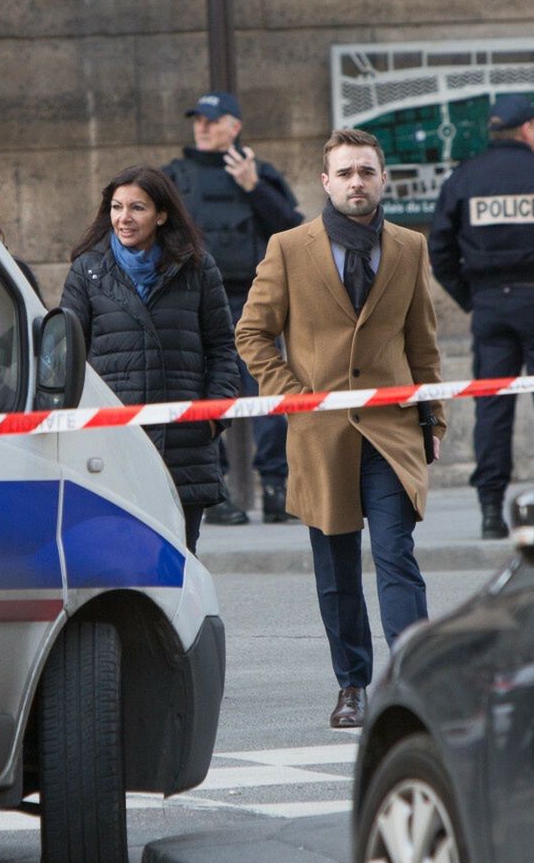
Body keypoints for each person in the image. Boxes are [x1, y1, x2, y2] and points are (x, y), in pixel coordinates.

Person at [236, 129, 445, 730]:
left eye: (367, 172)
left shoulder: (409, 247)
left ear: (383, 180)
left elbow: (421, 343)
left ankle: (411, 681)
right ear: (326, 182)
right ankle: (351, 686)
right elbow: (251, 333)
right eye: (346, 173)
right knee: (336, 568)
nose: (357, 182)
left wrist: (434, 416)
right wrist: (294, 397)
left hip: (391, 430)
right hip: (320, 433)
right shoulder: (289, 247)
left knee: (394, 555)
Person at [428, 94, 534, 539]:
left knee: (493, 408)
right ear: (528, 129)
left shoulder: (463, 179)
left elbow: (440, 251)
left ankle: (490, 510)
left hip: (490, 307)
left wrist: (472, 298)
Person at [61, 166, 239, 554]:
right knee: (120, 558)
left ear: (161, 214)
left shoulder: (196, 267)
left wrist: (212, 418)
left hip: (184, 442)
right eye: (116, 207)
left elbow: (224, 349)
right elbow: (68, 357)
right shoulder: (87, 271)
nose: (124, 218)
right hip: (115, 442)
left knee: (179, 556)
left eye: (137, 208)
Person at [164, 91, 301, 527]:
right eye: (198, 120)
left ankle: (277, 488)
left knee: (269, 397)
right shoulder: (173, 178)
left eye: (212, 119)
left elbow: (293, 231)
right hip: (195, 302)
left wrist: (253, 188)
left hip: (251, 302)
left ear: (234, 127)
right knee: (204, 400)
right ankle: (215, 491)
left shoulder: (259, 174)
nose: (202, 126)